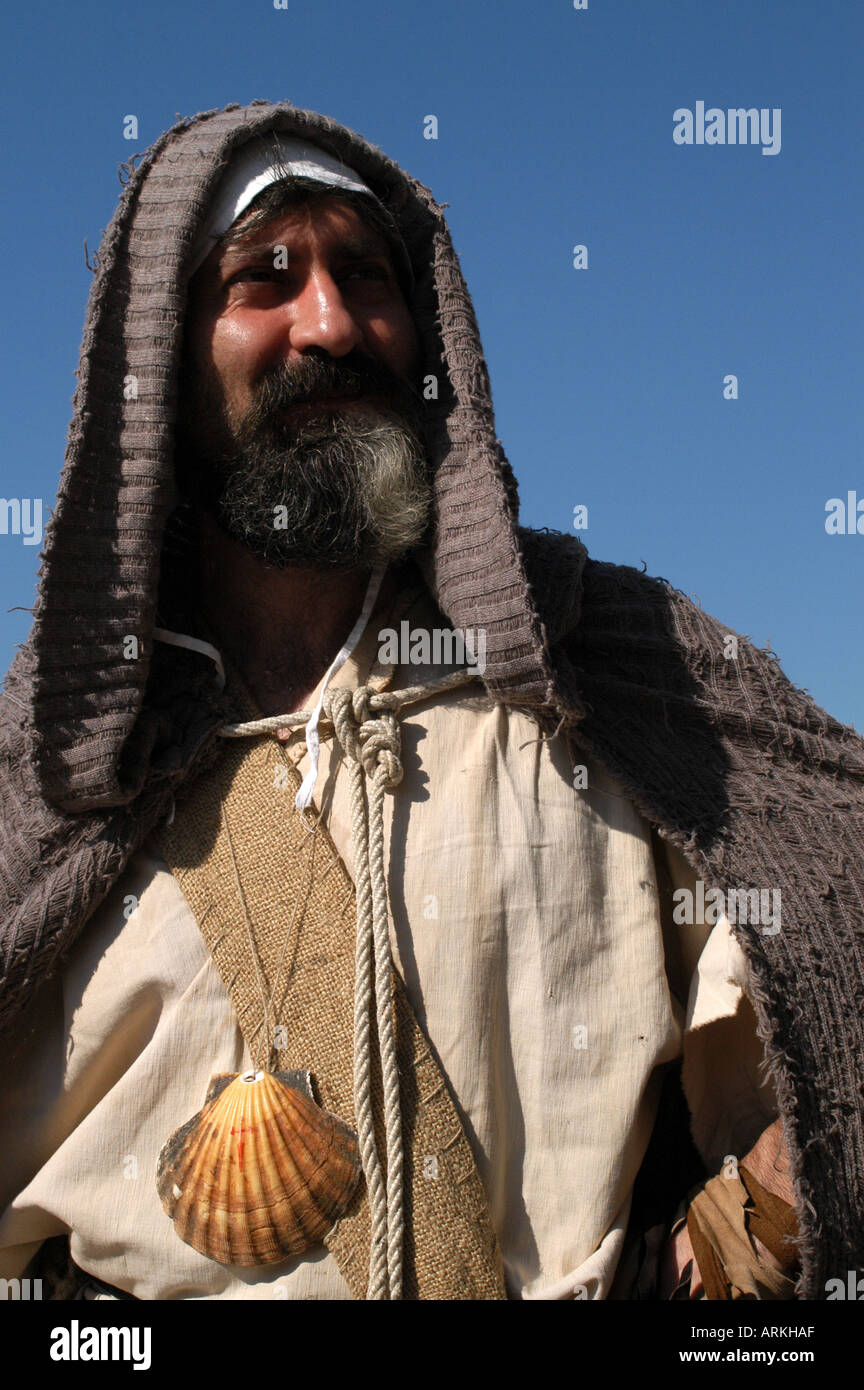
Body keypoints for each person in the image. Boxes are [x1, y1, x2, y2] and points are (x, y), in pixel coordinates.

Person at [0, 100, 861, 1302]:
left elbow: (838, 909)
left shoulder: (584, 656)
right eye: (266, 277)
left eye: (366, 274)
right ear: (162, 353)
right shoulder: (62, 750)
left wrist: (751, 1233)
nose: (333, 324)